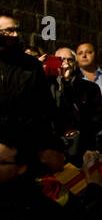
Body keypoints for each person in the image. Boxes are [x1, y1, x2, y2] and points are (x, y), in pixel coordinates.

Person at [1, 12, 59, 149]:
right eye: (9, 31)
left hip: (24, 142)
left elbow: (44, 105)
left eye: (17, 31)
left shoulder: (31, 65)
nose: (15, 35)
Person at [48, 46, 102, 166]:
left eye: (69, 60)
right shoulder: (47, 86)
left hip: (82, 146)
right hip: (54, 147)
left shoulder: (90, 88)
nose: (66, 63)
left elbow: (101, 117)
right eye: (61, 60)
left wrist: (80, 130)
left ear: (75, 63)